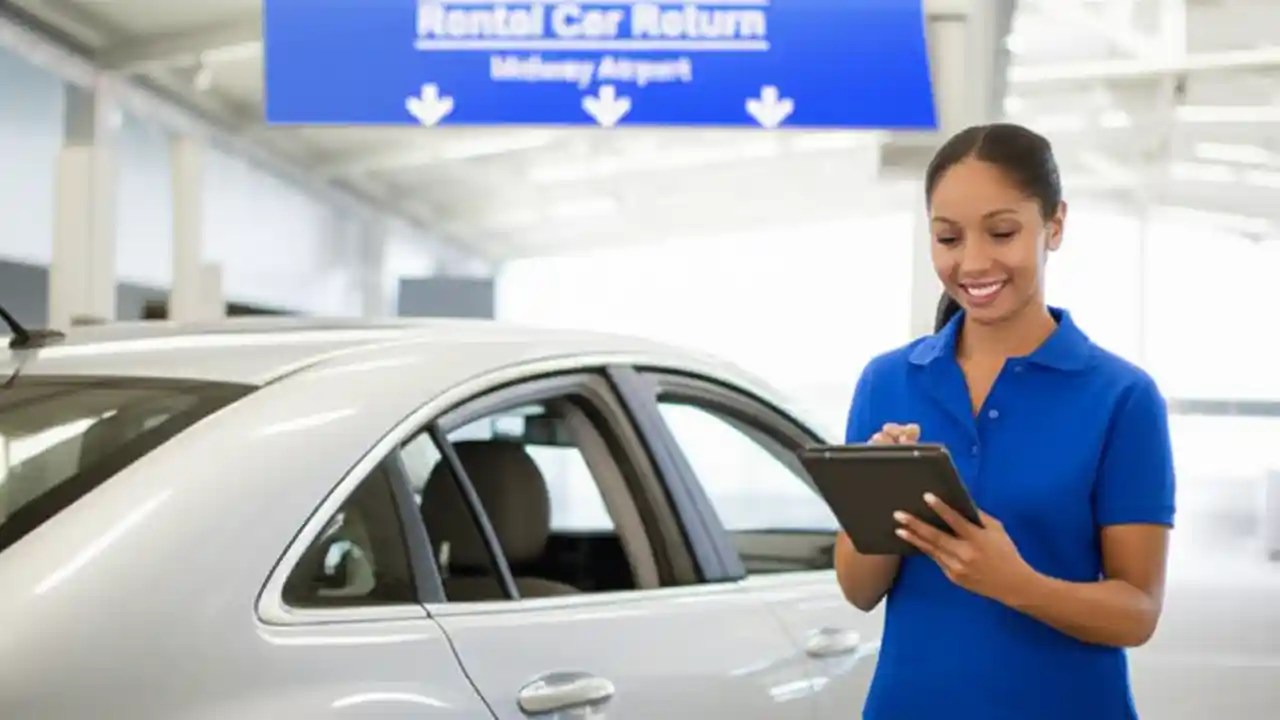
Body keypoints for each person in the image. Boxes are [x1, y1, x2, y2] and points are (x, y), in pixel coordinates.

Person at [833, 122, 1175, 720]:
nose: (972, 262)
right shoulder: (887, 382)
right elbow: (859, 591)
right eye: (948, 237)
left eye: (1002, 232)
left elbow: (1137, 612)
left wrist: (1013, 581)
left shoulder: (1121, 397)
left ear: (1055, 225)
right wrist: (880, 498)